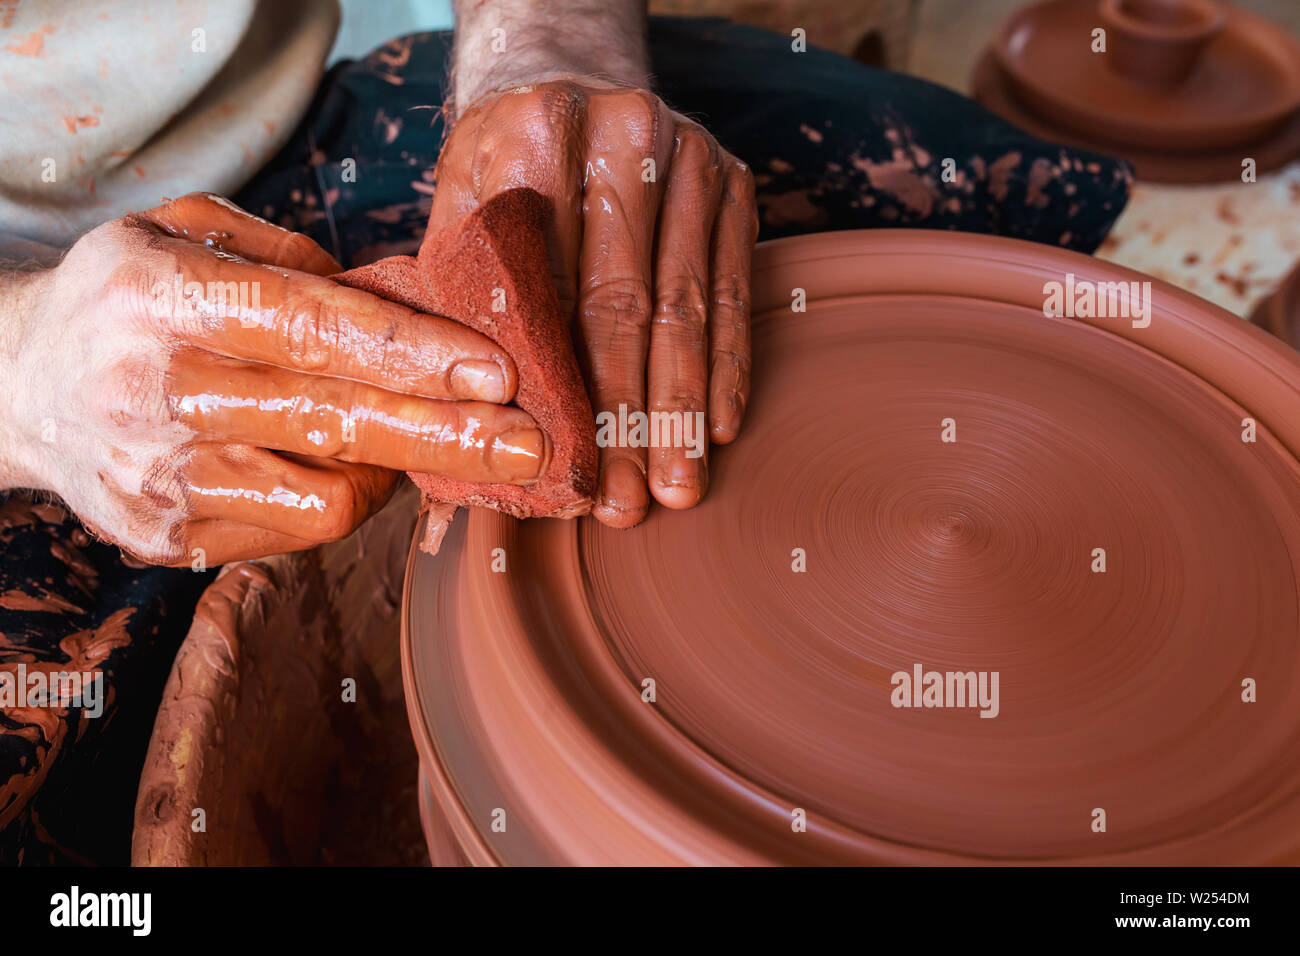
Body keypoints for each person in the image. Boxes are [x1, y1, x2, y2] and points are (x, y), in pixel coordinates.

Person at [0, 0, 1131, 864]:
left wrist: (550, 47)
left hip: (286, 145)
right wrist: (29, 377)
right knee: (69, 795)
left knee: (947, 175)